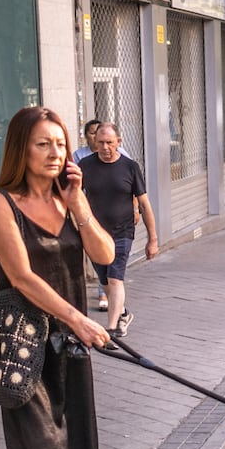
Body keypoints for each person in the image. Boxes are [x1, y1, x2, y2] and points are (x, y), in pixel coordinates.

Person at [0, 106, 115, 449]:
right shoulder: (0, 201)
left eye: (60, 143)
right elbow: (20, 276)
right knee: (40, 442)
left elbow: (105, 254)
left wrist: (79, 206)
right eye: (43, 143)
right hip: (24, 342)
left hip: (70, 343)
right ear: (21, 148)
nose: (55, 152)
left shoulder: (66, 199)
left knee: (71, 437)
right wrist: (79, 318)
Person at [79, 123, 158, 338]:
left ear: (118, 142)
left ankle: (112, 329)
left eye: (109, 143)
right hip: (95, 234)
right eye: (101, 142)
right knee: (105, 281)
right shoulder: (85, 165)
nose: (105, 147)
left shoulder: (130, 167)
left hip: (122, 232)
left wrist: (152, 239)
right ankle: (123, 313)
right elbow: (74, 197)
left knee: (115, 280)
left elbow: (144, 204)